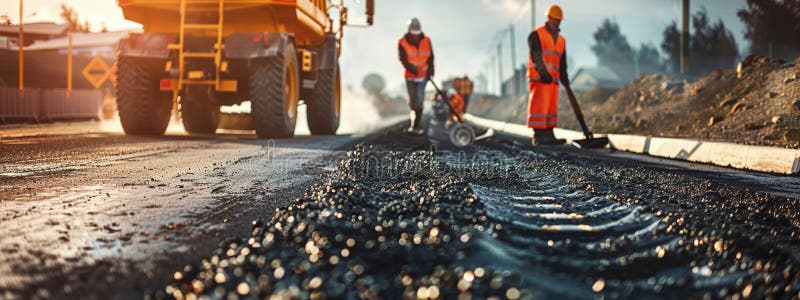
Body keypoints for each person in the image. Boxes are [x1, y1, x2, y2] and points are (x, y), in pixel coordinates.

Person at [527, 5, 569, 145]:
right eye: (554, 19)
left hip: (553, 81)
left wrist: (564, 78)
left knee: (550, 108)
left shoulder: (562, 40)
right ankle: (538, 136)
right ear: (548, 18)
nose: (556, 22)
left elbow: (562, 62)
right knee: (540, 107)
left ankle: (549, 135)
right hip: (540, 78)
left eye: (558, 20)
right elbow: (536, 56)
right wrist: (543, 73)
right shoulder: (537, 34)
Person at [398, 17, 434, 135]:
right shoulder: (402, 42)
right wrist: (413, 70)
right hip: (410, 76)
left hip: (423, 76)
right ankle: (414, 123)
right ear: (409, 30)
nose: (416, 35)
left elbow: (430, 57)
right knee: (413, 101)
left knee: (419, 98)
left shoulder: (426, 40)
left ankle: (416, 125)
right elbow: (403, 59)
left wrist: (431, 71)